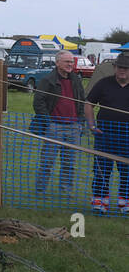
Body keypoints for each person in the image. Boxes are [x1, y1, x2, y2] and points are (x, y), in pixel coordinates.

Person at [33, 50, 87, 201]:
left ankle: (66, 192)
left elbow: (82, 101)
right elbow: (38, 102)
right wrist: (48, 121)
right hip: (54, 126)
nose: (70, 65)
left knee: (69, 163)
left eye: (71, 62)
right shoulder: (48, 80)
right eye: (67, 62)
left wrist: (81, 121)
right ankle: (40, 191)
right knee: (47, 161)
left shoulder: (76, 79)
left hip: (74, 127)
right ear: (57, 63)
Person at [84, 51, 129, 214]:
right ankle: (99, 203)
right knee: (101, 168)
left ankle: (125, 204)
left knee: (127, 170)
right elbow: (88, 103)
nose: (122, 70)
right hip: (104, 133)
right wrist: (91, 125)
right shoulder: (104, 83)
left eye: (125, 67)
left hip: (127, 135)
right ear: (114, 68)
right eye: (119, 67)